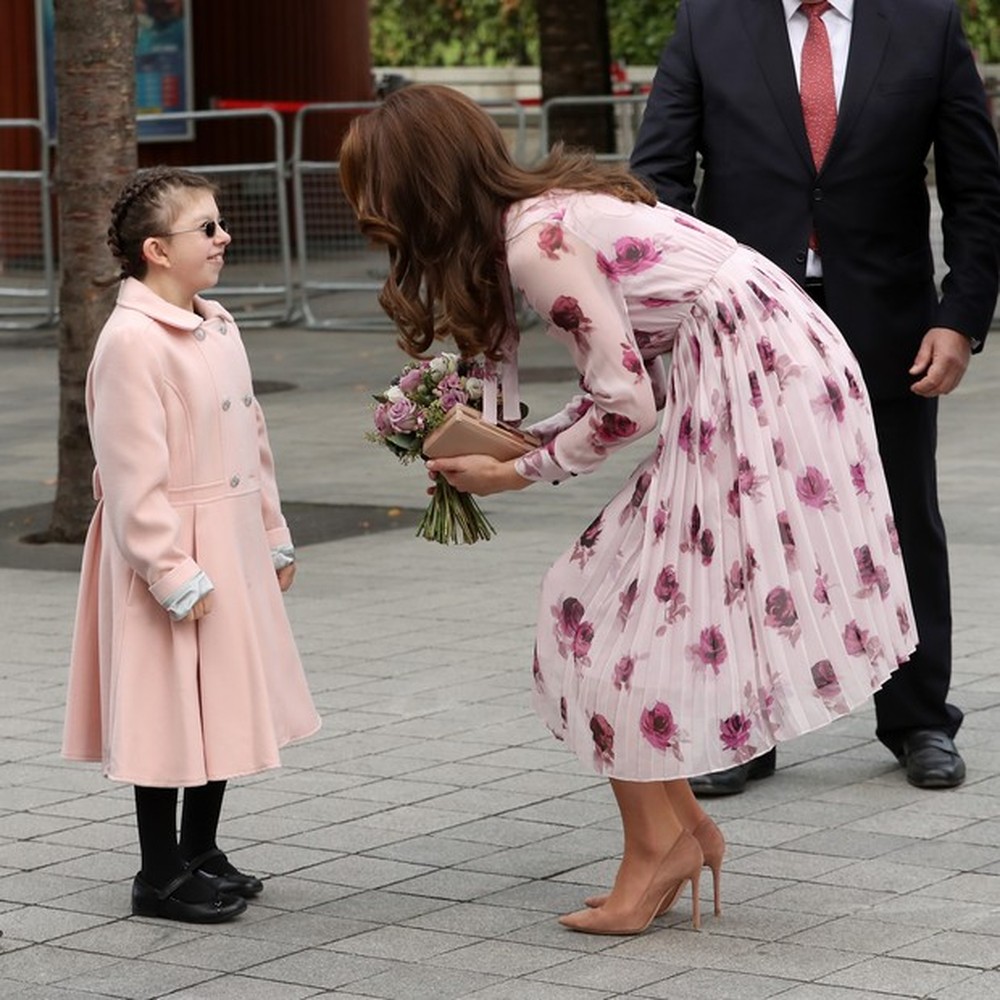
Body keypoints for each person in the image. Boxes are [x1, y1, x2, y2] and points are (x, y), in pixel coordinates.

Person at [339, 84, 915, 935]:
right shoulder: (533, 224)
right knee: (602, 605)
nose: (366, 211)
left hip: (763, 383)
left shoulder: (538, 242)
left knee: (599, 609)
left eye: (372, 189)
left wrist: (520, 472)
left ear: (419, 184)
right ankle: (677, 832)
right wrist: (504, 443)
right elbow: (615, 387)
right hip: (754, 369)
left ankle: (661, 848)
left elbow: (625, 406)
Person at [629, 0, 1000, 795]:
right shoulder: (709, 25)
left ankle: (919, 719)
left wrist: (960, 320)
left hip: (888, 324)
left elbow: (977, 190)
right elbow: (658, 181)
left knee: (902, 517)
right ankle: (743, 728)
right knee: (740, 525)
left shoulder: (925, 25)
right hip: (742, 325)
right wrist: (671, 311)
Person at [62, 166, 321, 923]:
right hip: (172, 548)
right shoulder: (131, 343)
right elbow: (130, 474)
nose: (222, 237)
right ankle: (158, 872)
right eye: (204, 228)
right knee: (168, 706)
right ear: (156, 251)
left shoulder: (218, 323)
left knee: (224, 699)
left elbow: (254, 438)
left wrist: (271, 531)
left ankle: (201, 849)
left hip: (230, 535)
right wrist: (169, 569)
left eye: (218, 223)